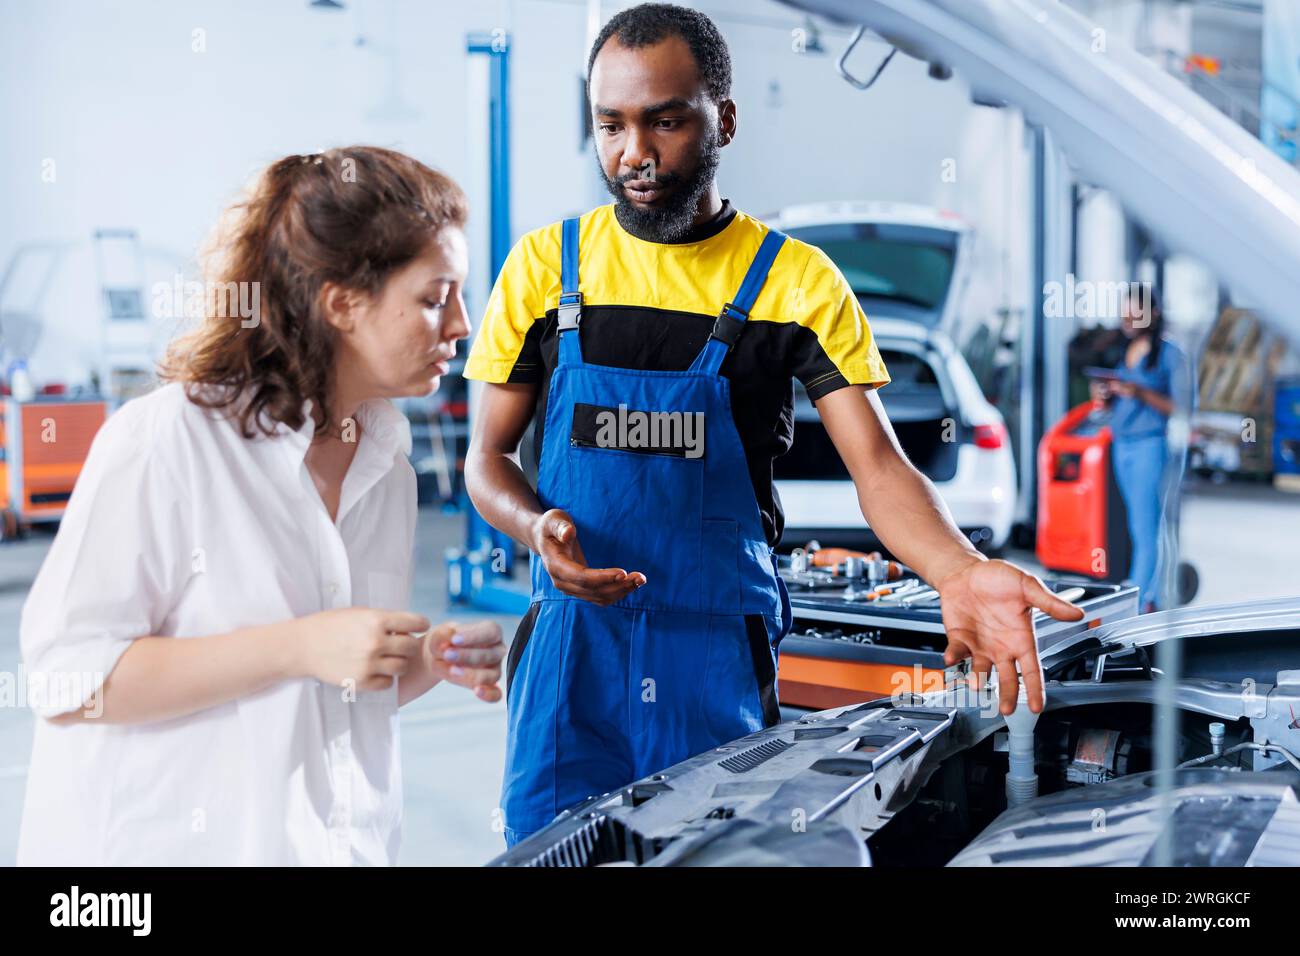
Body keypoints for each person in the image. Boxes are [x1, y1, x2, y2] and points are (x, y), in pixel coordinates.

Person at [463, 3, 1082, 847]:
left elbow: (880, 469)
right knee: (549, 853)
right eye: (610, 125)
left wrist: (959, 569)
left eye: (664, 121)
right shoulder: (542, 268)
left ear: (724, 119)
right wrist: (536, 526)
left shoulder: (796, 282)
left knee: (718, 854)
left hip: (716, 652)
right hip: (572, 654)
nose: (633, 155)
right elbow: (486, 459)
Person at [17, 146, 506, 866]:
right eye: (436, 298)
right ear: (342, 302)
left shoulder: (388, 469)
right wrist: (300, 644)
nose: (462, 324)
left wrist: (421, 660)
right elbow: (68, 681)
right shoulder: (168, 442)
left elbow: (322, 694)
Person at [1090, 287, 1191, 612]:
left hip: (1152, 446)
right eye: (1125, 316)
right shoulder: (1127, 351)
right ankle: (1150, 596)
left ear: (1154, 314)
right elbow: (1117, 402)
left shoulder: (1171, 355)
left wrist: (1139, 392)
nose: (1128, 321)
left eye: (1135, 315)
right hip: (1123, 446)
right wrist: (1108, 396)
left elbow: (1183, 406)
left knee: (1148, 527)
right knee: (1137, 525)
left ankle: (1139, 602)